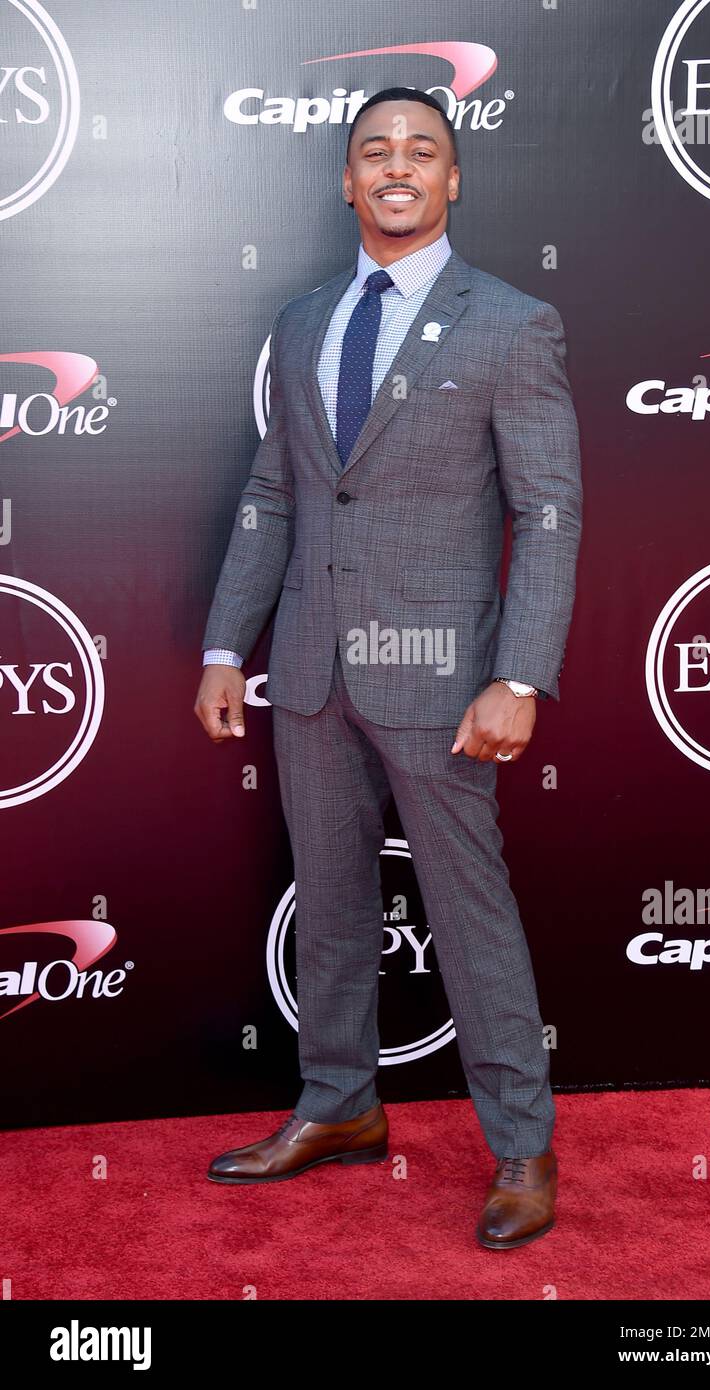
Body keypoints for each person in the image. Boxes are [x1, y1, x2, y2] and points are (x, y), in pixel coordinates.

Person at [194, 86, 582, 1250]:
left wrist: (518, 675)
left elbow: (549, 511)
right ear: (348, 180)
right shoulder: (303, 320)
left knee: (467, 913)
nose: (397, 167)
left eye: (422, 150)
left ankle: (520, 1143)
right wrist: (227, 645)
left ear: (452, 179)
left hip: (439, 676)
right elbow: (276, 494)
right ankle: (339, 1104)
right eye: (375, 152)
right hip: (308, 668)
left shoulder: (512, 324)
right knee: (331, 904)